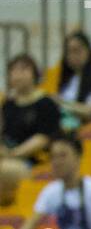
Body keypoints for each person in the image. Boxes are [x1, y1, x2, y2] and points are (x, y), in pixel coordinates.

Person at [0, 55, 62, 207]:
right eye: (13, 70)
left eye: (23, 69)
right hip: (7, 158)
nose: (17, 74)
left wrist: (14, 153)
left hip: (33, 162)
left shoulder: (46, 103)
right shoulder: (7, 105)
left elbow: (43, 138)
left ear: (34, 74)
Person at [55, 31, 91, 130]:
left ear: (88, 51)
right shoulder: (66, 82)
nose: (72, 56)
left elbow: (90, 111)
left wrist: (61, 103)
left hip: (89, 129)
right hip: (64, 127)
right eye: (69, 52)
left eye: (77, 51)